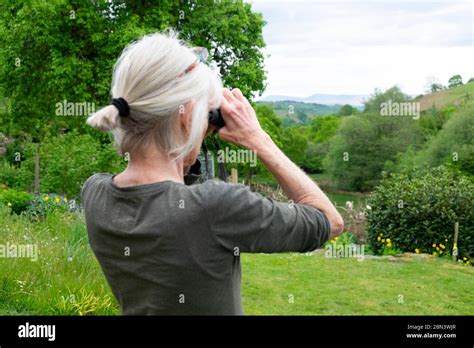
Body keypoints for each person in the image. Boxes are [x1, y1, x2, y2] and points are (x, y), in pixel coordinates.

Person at [81, 31, 344, 315]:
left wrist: (187, 138)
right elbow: (329, 220)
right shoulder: (214, 206)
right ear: (185, 115)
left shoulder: (95, 194)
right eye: (206, 115)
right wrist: (258, 140)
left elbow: (166, 194)